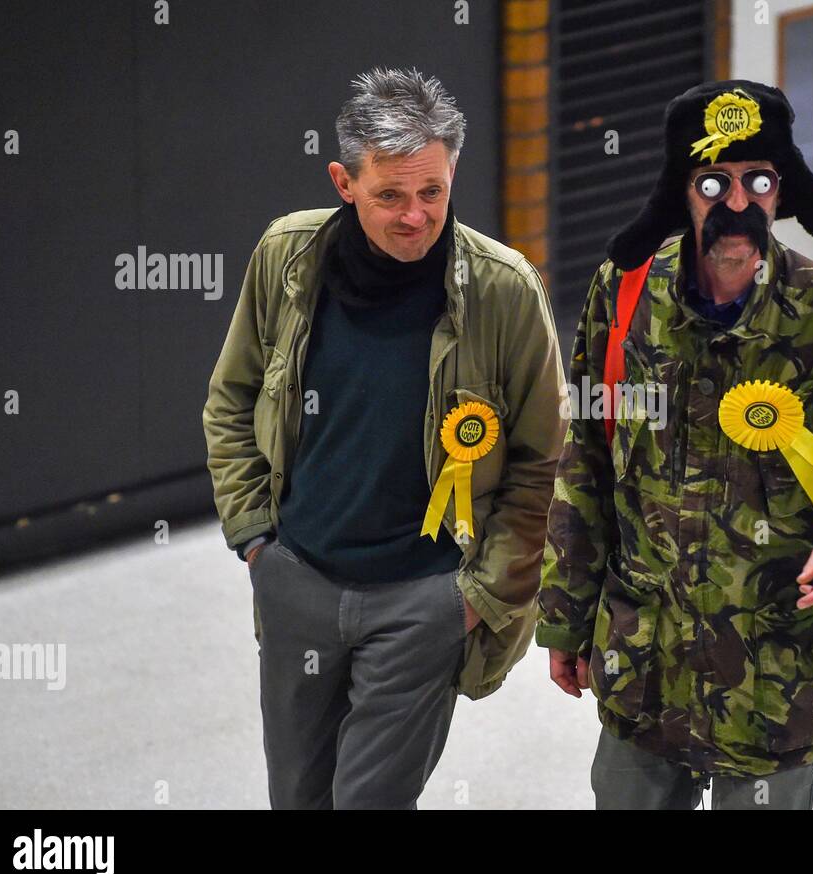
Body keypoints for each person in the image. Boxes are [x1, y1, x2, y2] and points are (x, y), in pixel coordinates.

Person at [537, 79, 813, 809]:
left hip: (774, 684)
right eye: (713, 182)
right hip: (644, 671)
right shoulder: (624, 296)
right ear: (682, 192)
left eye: (758, 181)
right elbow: (589, 461)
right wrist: (567, 617)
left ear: (781, 190)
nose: (737, 204)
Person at [202, 67, 566, 809]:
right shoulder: (286, 257)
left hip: (424, 601)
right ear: (344, 181)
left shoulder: (504, 290)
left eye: (432, 191)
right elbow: (231, 399)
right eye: (390, 195)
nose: (415, 216)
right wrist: (255, 543)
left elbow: (543, 463)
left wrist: (476, 599)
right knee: (297, 797)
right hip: (297, 578)